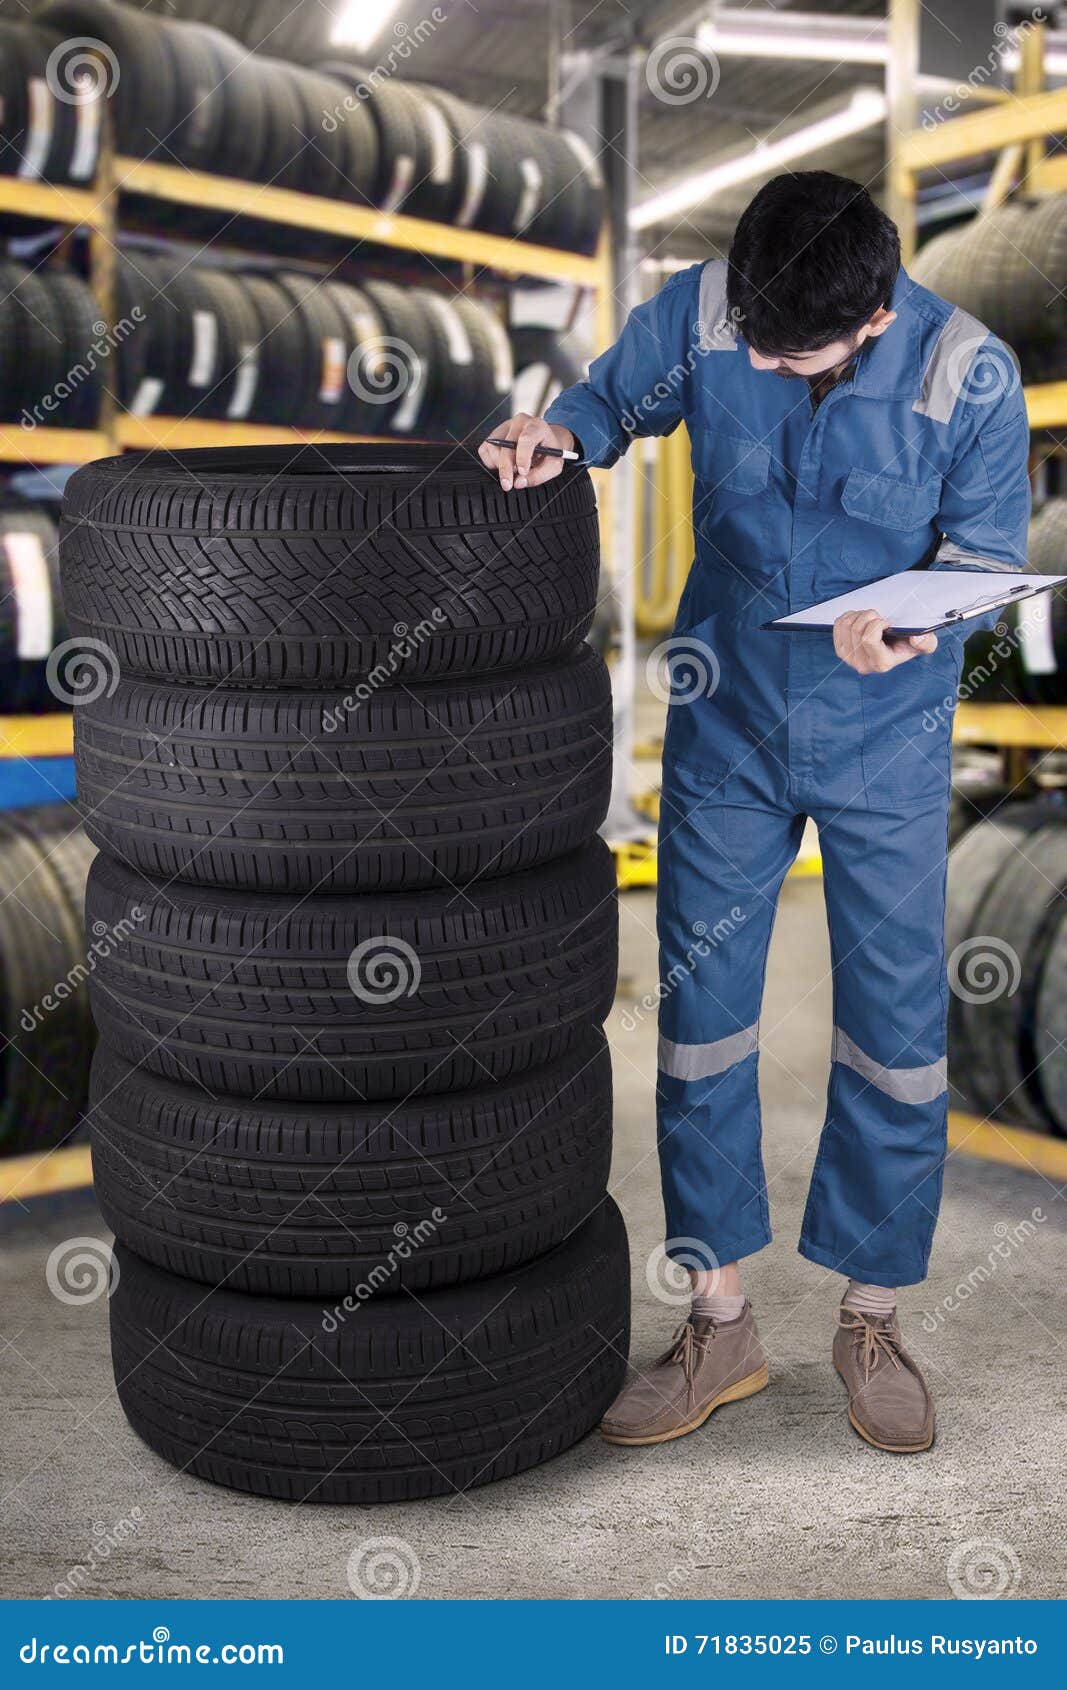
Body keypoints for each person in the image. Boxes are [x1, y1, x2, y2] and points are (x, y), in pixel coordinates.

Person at [480, 170, 1030, 1456]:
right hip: (725, 719)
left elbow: (983, 557)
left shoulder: (969, 374)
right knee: (702, 1018)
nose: (765, 366)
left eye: (796, 358)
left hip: (885, 734)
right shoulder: (706, 310)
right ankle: (718, 1321)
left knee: (893, 1027)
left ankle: (871, 1315)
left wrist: (913, 623)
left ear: (875, 315)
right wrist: (559, 435)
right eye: (755, 346)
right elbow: (611, 401)